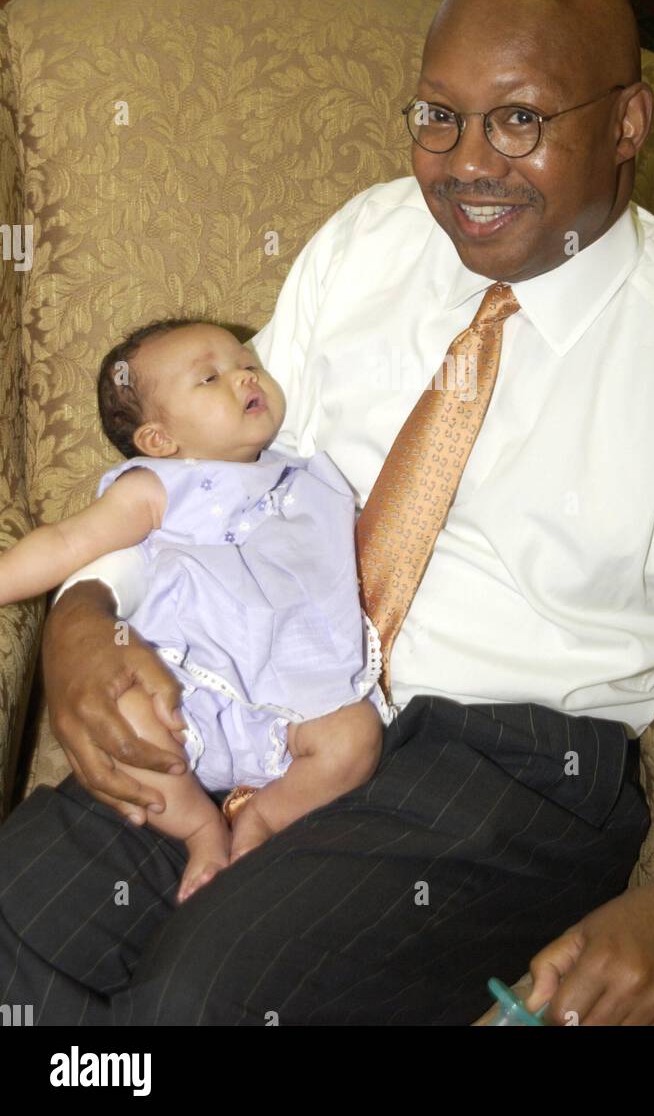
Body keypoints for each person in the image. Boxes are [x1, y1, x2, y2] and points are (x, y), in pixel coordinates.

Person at [1, 0, 654, 1027]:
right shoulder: (374, 238)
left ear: (630, 124)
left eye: (519, 121)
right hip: (252, 691)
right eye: (437, 116)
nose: (463, 165)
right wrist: (85, 613)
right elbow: (211, 471)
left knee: (202, 1005)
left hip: (501, 770)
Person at [0, 319, 389, 904]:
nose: (242, 377)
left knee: (355, 737)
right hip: (181, 695)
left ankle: (260, 820)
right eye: (210, 377)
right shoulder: (158, 486)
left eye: (245, 364)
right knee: (125, 716)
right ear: (159, 440)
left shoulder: (302, 476)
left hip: (290, 699)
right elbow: (65, 545)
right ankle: (200, 831)